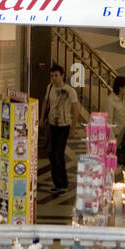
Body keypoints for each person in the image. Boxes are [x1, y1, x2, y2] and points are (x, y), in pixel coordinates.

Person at [43, 63, 79, 194]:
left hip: (64, 126)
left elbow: (75, 109)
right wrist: (42, 118)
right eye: (52, 75)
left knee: (58, 153)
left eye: (56, 75)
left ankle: (62, 182)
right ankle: (58, 182)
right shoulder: (50, 87)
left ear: (62, 76)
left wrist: (73, 127)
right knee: (52, 154)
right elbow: (46, 103)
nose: (54, 78)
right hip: (53, 124)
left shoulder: (70, 91)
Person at [107, 75, 125, 143]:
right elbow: (108, 123)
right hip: (116, 136)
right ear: (120, 88)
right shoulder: (110, 101)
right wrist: (113, 140)